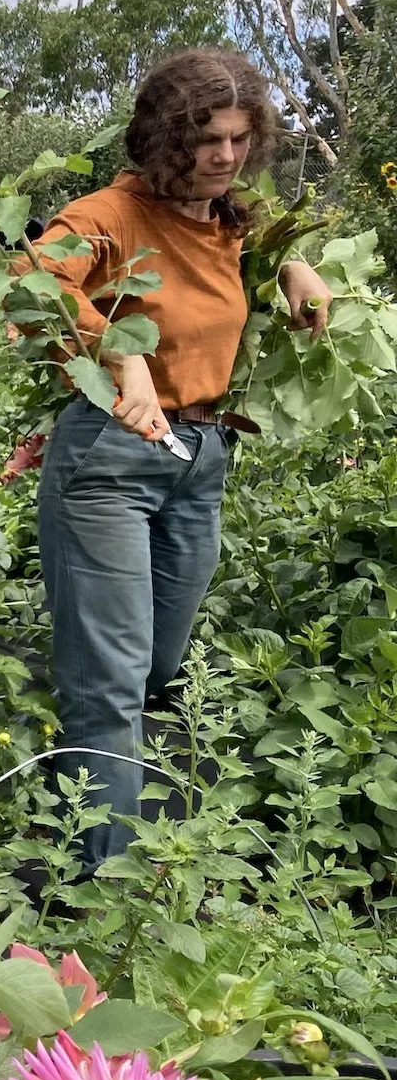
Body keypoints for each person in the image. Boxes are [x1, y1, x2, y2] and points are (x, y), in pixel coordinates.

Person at [31, 49, 328, 866]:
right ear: (164, 137)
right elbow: (30, 284)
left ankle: (75, 801)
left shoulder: (227, 213)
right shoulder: (109, 216)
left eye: (238, 138)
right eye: (205, 139)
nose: (223, 156)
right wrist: (117, 347)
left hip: (201, 457)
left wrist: (296, 263)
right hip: (111, 460)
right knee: (112, 686)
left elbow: (254, 235)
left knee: (159, 662)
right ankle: (105, 890)